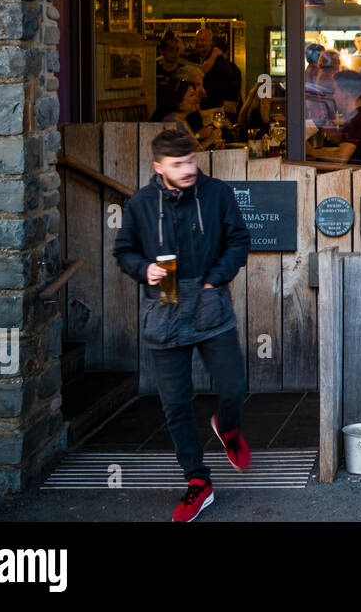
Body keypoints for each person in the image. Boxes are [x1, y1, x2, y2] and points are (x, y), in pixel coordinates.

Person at [112, 128, 251, 522]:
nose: (188, 169)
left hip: (209, 304)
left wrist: (215, 279)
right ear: (159, 167)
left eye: (191, 160)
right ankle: (198, 481)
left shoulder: (217, 194)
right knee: (176, 404)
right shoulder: (140, 204)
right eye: (178, 164)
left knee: (234, 385)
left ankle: (228, 427)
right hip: (165, 308)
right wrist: (144, 268)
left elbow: (238, 240)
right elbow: (123, 251)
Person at [151, 78, 224, 150]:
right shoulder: (171, 123)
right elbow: (186, 156)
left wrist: (212, 145)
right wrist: (208, 141)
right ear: (178, 100)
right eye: (192, 95)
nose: (197, 99)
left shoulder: (182, 121)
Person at [187, 28, 242, 116]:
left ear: (210, 41)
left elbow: (227, 86)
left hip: (213, 109)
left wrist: (207, 92)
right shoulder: (191, 58)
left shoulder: (220, 62)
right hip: (193, 109)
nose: (199, 43)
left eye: (202, 40)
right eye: (197, 40)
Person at [155, 31, 184, 117]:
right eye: (171, 49)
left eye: (177, 49)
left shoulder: (184, 71)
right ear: (162, 51)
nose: (175, 53)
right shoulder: (155, 71)